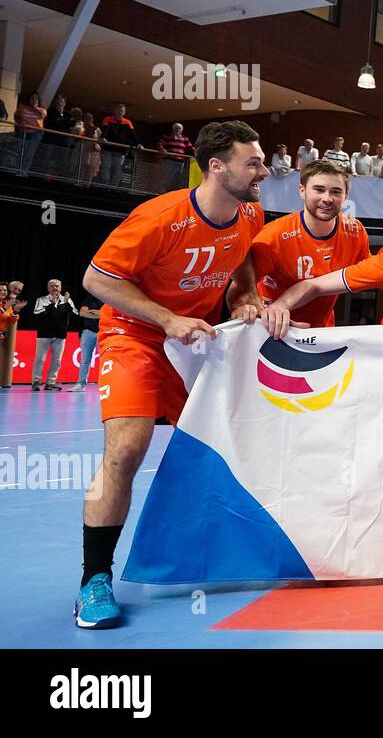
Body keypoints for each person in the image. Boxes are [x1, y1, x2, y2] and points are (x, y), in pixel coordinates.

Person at [78, 120, 269, 629]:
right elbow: (96, 278)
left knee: (236, 445)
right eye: (252, 162)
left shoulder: (250, 213)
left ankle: (232, 550)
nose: (263, 170)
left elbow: (243, 256)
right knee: (124, 450)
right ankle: (94, 579)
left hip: (196, 343)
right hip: (137, 337)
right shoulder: (159, 217)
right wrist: (165, 318)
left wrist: (244, 294)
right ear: (217, 166)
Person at [242, 160, 383, 330]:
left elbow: (370, 271)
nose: (327, 199)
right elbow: (240, 293)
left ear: (346, 196)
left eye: (336, 192)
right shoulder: (273, 235)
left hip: (321, 330)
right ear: (302, 191)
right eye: (319, 189)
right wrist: (257, 313)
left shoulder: (355, 232)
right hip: (272, 328)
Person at [31, 279, 77, 391]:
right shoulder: (42, 300)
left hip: (60, 335)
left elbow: (75, 314)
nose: (54, 288)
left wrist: (66, 303)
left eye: (56, 286)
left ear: (60, 288)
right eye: (52, 286)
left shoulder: (67, 300)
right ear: (48, 288)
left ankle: (51, 382)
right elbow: (37, 313)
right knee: (40, 359)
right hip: (44, 334)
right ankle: (36, 382)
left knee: (57, 361)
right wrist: (51, 304)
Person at [98, 103, 140, 186]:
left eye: (122, 111)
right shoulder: (108, 119)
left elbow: (133, 134)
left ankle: (113, 187)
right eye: (118, 110)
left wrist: (138, 144)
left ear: (124, 112)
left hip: (120, 151)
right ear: (114, 111)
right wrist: (103, 138)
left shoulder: (128, 122)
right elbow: (105, 130)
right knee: (105, 168)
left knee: (118, 170)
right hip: (108, 149)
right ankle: (104, 186)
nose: (120, 112)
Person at [68, 295, 101, 393]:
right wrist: (98, 313)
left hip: (103, 331)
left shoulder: (108, 298)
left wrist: (91, 312)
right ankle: (80, 384)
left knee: (105, 360)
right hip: (88, 331)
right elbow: (82, 313)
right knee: (85, 359)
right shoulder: (89, 298)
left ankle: (105, 384)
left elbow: (108, 314)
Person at [158, 123, 195, 190]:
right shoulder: (166, 137)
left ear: (182, 130)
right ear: (173, 129)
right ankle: (167, 192)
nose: (178, 130)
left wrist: (197, 153)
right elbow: (160, 144)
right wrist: (162, 149)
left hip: (180, 162)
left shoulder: (184, 139)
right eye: (176, 128)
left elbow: (190, 148)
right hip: (169, 160)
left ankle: (175, 193)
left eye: (180, 128)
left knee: (178, 178)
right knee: (168, 178)